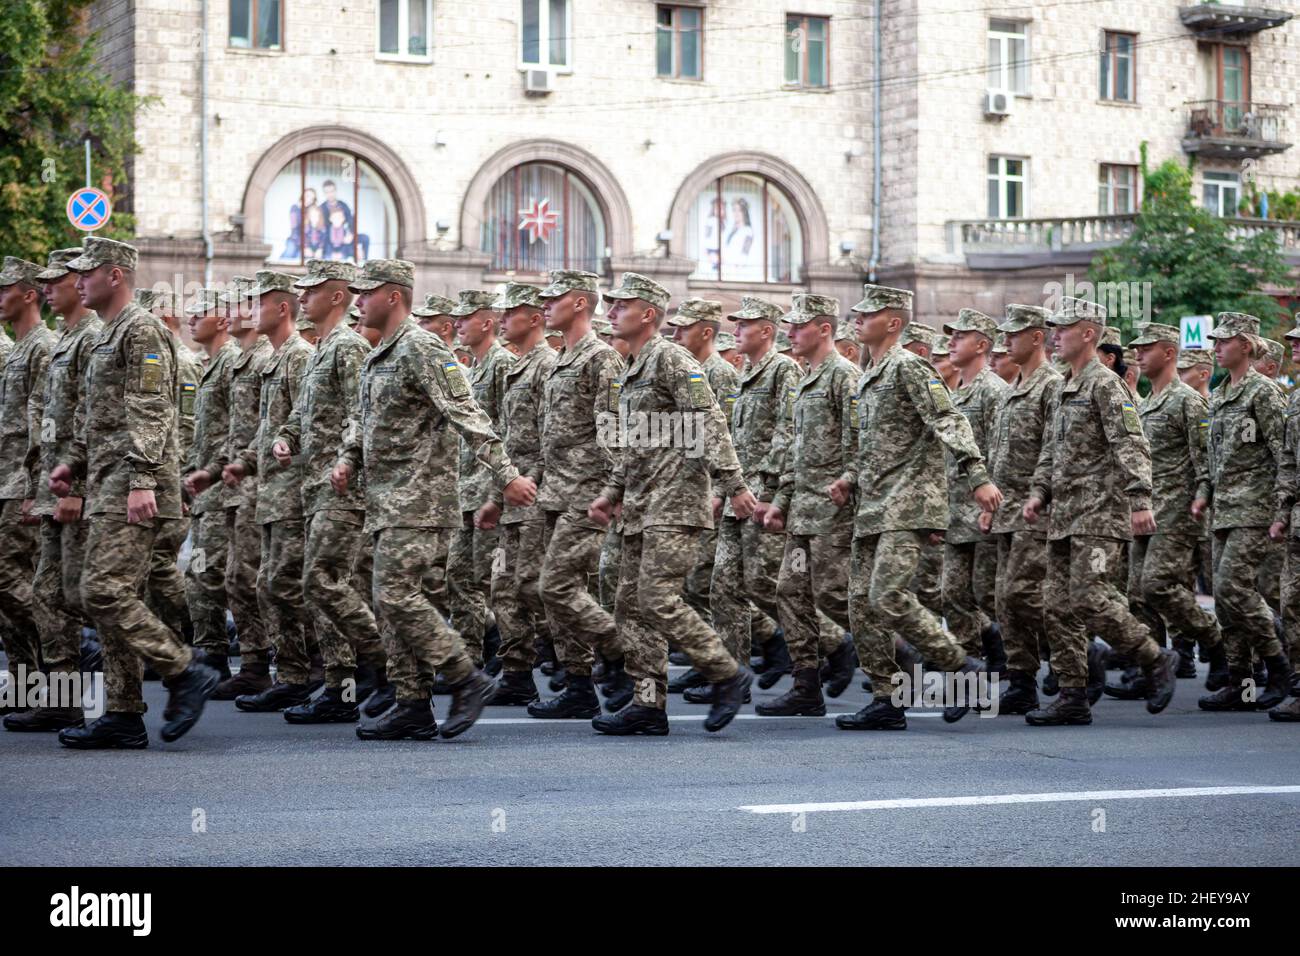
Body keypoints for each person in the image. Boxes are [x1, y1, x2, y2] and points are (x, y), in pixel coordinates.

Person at [333, 258, 535, 741]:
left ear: (394, 296)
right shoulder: (380, 353)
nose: (357, 301)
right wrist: (347, 459)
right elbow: (366, 422)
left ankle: (465, 677)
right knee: (390, 604)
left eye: (366, 292)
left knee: (395, 594)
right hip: (384, 501)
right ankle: (412, 703)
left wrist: (505, 475)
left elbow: (466, 413)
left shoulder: (422, 348)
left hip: (419, 501)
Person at [52, 237, 219, 748]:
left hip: (133, 484)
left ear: (115, 275)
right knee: (105, 594)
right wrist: (72, 465)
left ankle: (185, 669)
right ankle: (124, 712)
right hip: (108, 480)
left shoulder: (142, 328)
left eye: (87, 272)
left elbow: (150, 408)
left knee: (103, 590)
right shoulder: (109, 333)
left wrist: (143, 479)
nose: (78, 282)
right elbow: (98, 415)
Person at [588, 273, 756, 735]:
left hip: (676, 503)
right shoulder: (634, 367)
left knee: (658, 600)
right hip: (642, 505)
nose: (610, 312)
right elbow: (637, 445)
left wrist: (734, 484)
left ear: (647, 314)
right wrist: (610, 494)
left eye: (620, 306)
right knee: (630, 607)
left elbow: (708, 420)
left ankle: (725, 670)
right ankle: (648, 704)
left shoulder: (671, 359)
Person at [835, 283, 1000, 730]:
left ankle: (962, 667)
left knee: (888, 596)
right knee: (860, 604)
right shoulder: (869, 374)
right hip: (873, 504)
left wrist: (977, 475)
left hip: (908, 504)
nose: (857, 320)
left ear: (892, 322)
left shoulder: (909, 367)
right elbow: (873, 446)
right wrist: (849, 479)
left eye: (866, 315)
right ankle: (888, 698)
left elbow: (948, 418)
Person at [1023, 297, 1178, 726]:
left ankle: (1153, 657)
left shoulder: (1105, 385)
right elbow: (1051, 452)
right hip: (1065, 516)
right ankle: (1073, 693)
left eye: (1064, 328)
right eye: (1053, 328)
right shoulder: (1061, 387)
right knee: (1056, 605)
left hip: (1100, 514)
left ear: (1088, 333)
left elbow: (1132, 443)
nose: (1055, 335)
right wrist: (1038, 493)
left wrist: (1141, 501)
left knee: (1090, 596)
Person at [273, 259, 391, 723]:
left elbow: (364, 412)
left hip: (343, 487)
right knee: (324, 584)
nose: (302, 296)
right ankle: (345, 683)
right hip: (315, 485)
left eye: (312, 290)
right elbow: (302, 413)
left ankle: (376, 667)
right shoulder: (321, 348)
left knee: (324, 581)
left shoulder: (348, 348)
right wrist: (288, 438)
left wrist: (346, 461)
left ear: (337, 296)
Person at [5, 250, 102, 732]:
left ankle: (83, 657)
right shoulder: (57, 342)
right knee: (42, 588)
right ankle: (40, 685)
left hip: (58, 484)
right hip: (35, 481)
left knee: (59, 589)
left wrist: (66, 486)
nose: (51, 287)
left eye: (57, 280)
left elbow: (84, 421)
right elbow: (36, 424)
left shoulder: (58, 344)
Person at [526, 270, 628, 720]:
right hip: (555, 491)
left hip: (587, 493)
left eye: (555, 298)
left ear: (582, 304)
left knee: (558, 584)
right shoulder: (560, 358)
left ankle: (622, 654)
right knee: (552, 591)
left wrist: (613, 492)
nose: (545, 306)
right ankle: (578, 683)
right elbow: (552, 436)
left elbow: (615, 434)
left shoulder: (601, 359)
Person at [759, 294, 860, 717]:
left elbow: (863, 440)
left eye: (799, 327)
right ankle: (807, 684)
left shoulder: (845, 377)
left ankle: (898, 653)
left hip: (833, 512)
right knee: (790, 591)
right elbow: (794, 453)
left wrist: (849, 479)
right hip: (802, 512)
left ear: (824, 329)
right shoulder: (804, 380)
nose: (791, 333)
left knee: (834, 594)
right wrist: (780, 501)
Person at [221, 271, 316, 712]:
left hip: (294, 491)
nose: (246, 312)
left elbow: (308, 426)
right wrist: (242, 465)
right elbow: (269, 430)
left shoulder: (298, 357)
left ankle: (315, 671)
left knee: (286, 583)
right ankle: (292, 671)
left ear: (281, 308)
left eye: (256, 303)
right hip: (268, 491)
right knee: (267, 583)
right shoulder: (274, 359)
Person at [1123, 321, 1227, 697]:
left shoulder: (1188, 400)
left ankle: (1215, 639)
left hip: (1180, 512)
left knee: (1158, 585)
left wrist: (1202, 496)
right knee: (1137, 592)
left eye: (1146, 348)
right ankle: (1151, 671)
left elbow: (1206, 458)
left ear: (1169, 353)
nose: (1138, 354)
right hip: (1146, 509)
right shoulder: (1146, 403)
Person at [1199, 312, 1291, 712]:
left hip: (1256, 508)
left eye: (1224, 341)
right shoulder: (1220, 394)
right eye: (1215, 341)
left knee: (1233, 587)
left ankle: (1279, 662)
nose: (1216, 348)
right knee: (1223, 598)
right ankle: (1242, 681)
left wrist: (1282, 509)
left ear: (1247, 346)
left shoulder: (1264, 392)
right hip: (1223, 510)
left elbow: (1282, 453)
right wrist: (1204, 493)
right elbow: (1214, 457)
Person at [710, 297, 800, 683]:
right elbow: (733, 439)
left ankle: (831, 644)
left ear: (766, 330)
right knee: (724, 586)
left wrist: (771, 492)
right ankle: (733, 675)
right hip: (739, 495)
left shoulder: (784, 370)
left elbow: (788, 432)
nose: (735, 331)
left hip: (763, 494)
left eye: (744, 325)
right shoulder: (746, 373)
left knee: (764, 583)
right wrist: (722, 488)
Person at [478, 283, 557, 706]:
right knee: (504, 587)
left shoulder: (547, 365)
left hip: (536, 498)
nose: (503, 319)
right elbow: (507, 439)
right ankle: (517, 673)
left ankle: (584, 659)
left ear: (535, 318)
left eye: (512, 312)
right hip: (512, 499)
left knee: (533, 587)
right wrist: (496, 495)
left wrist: (533, 483)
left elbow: (553, 439)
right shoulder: (518, 367)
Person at [982, 305, 1062, 715]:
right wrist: (990, 504)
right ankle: (1022, 680)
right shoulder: (1014, 386)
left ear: (1037, 338)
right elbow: (999, 454)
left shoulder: (1052, 385)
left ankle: (1072, 654)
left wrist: (1040, 494)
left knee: (1024, 592)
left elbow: (1053, 449)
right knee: (1004, 600)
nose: (1006, 342)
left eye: (1014, 335)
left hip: (1037, 508)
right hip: (1007, 508)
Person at [0, 258, 58, 719]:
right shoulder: (19, 348)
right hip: (8, 478)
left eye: (6, 290)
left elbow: (46, 426)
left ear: (29, 294)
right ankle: (26, 685)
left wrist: (38, 490)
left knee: (16, 580)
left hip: (25, 482)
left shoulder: (43, 348)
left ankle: (66, 651)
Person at [448, 290, 516, 669]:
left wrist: (498, 493)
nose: (457, 324)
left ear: (487, 323)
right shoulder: (473, 369)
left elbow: (510, 432)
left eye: (465, 317)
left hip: (492, 493)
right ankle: (470, 655)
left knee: (497, 580)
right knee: (459, 577)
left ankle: (510, 657)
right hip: (466, 491)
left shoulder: (503, 365)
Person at [939, 308, 1008, 664]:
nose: (951, 342)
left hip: (983, 510)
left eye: (959, 336)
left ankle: (1013, 661)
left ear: (982, 345)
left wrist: (991, 506)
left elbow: (1001, 451)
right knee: (950, 592)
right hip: (955, 512)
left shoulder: (994, 391)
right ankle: (972, 663)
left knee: (989, 593)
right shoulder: (955, 392)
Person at [179, 286, 240, 683]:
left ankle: (226, 656)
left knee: (218, 575)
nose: (190, 320)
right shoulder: (208, 366)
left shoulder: (232, 363)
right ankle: (211, 654)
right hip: (206, 489)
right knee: (202, 575)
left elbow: (239, 429)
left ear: (221, 321)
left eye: (199, 313)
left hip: (224, 488)